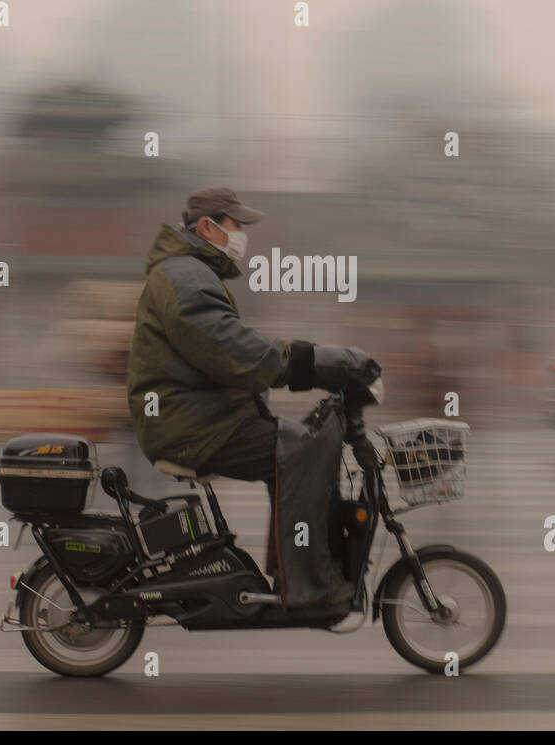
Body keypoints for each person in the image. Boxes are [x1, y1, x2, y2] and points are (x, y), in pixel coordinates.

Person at [126, 187, 378, 603]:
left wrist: (307, 366)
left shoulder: (188, 273)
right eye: (236, 225)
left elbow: (228, 355)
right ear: (208, 227)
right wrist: (311, 362)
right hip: (188, 425)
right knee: (300, 453)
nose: (242, 234)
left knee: (299, 442)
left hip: (196, 417)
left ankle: (294, 575)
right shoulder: (186, 277)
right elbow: (232, 350)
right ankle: (309, 586)